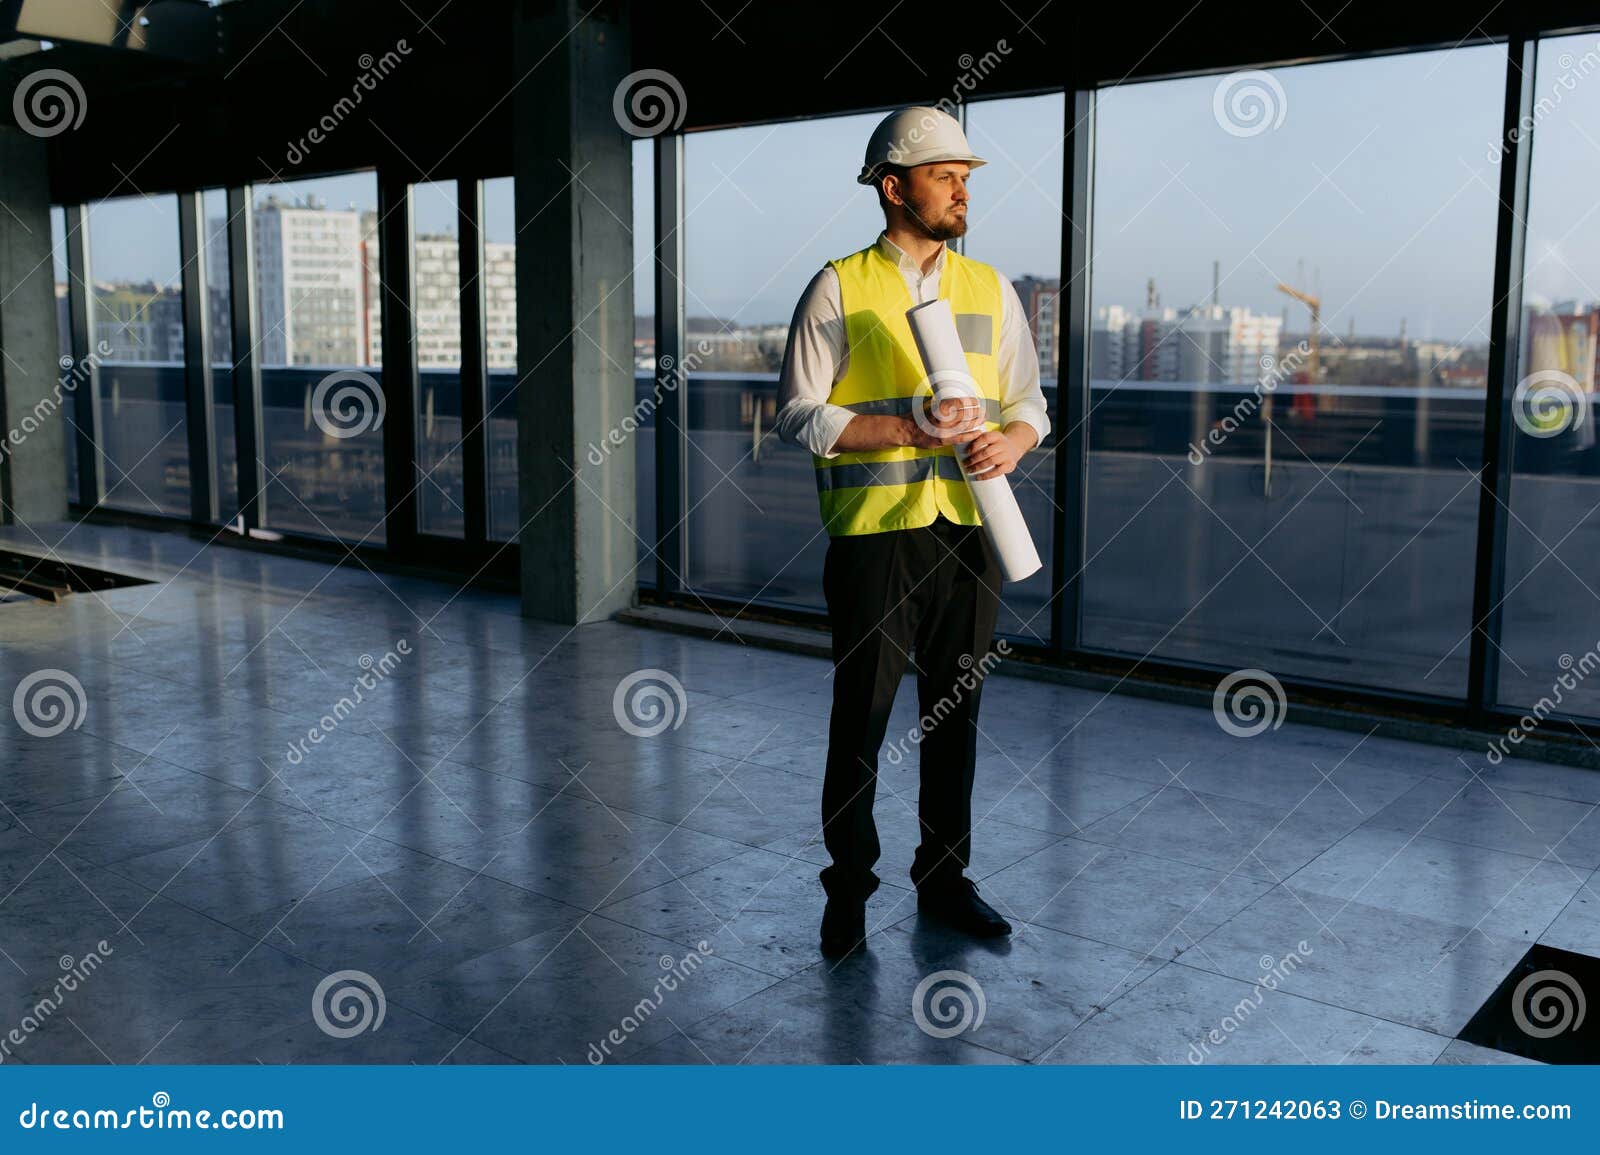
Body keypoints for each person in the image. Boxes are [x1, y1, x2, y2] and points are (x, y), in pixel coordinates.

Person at [773, 106, 1051, 957]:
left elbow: (1028, 403)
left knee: (954, 713)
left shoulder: (990, 288)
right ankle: (848, 889)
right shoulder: (838, 286)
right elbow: (796, 413)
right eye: (945, 176)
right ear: (895, 188)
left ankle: (945, 877)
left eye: (966, 177)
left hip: (970, 532)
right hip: (876, 535)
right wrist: (907, 431)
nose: (962, 190)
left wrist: (1012, 439)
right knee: (861, 716)